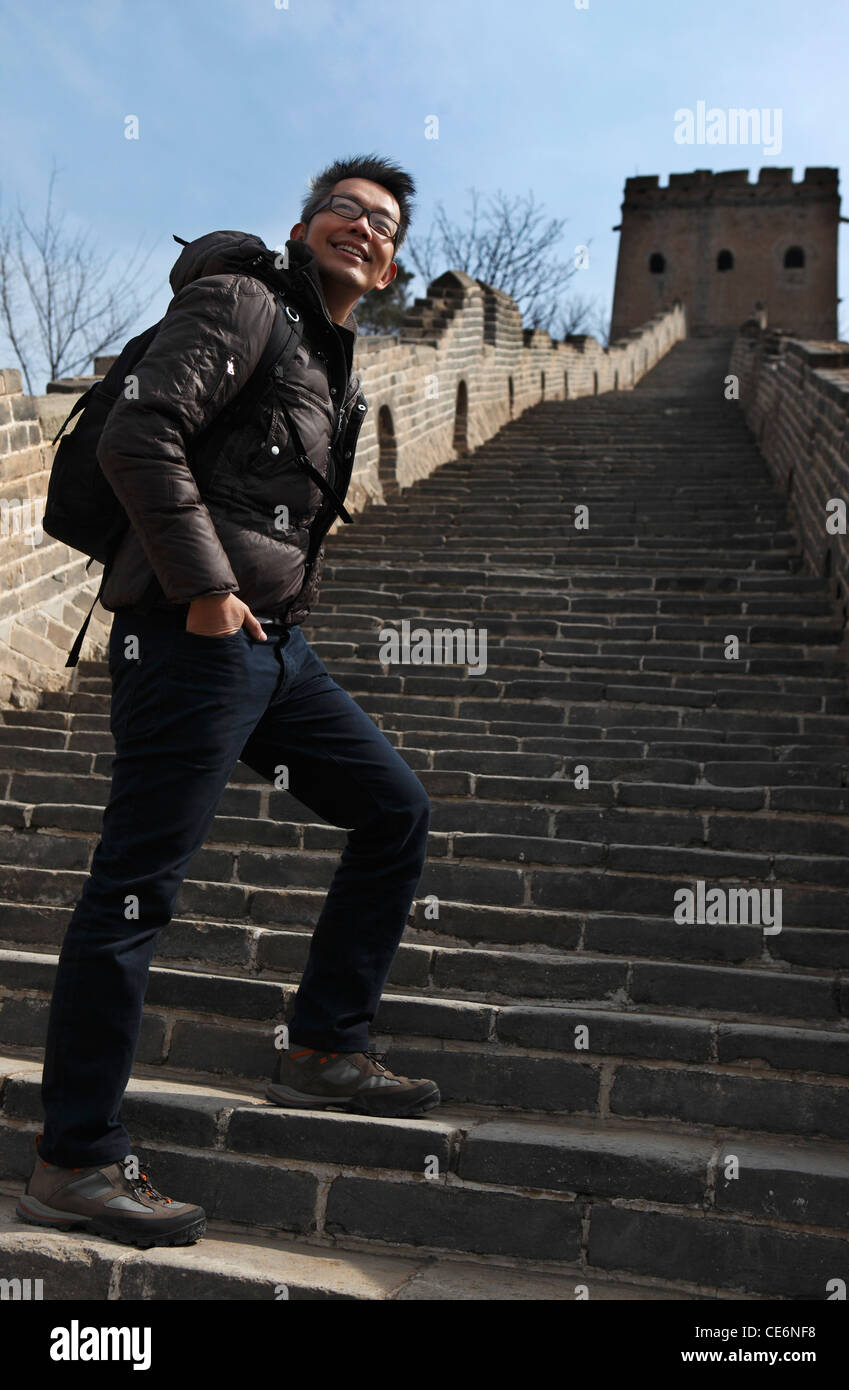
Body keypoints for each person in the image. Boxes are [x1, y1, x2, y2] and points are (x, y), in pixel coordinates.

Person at [16, 154, 439, 1250]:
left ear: (392, 266)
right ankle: (76, 1156)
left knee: (394, 809)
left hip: (272, 648)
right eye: (343, 208)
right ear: (305, 228)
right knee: (134, 888)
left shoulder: (334, 360)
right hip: (188, 633)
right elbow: (135, 434)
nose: (362, 227)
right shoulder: (243, 299)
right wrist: (205, 588)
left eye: (382, 224)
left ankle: (319, 1045)